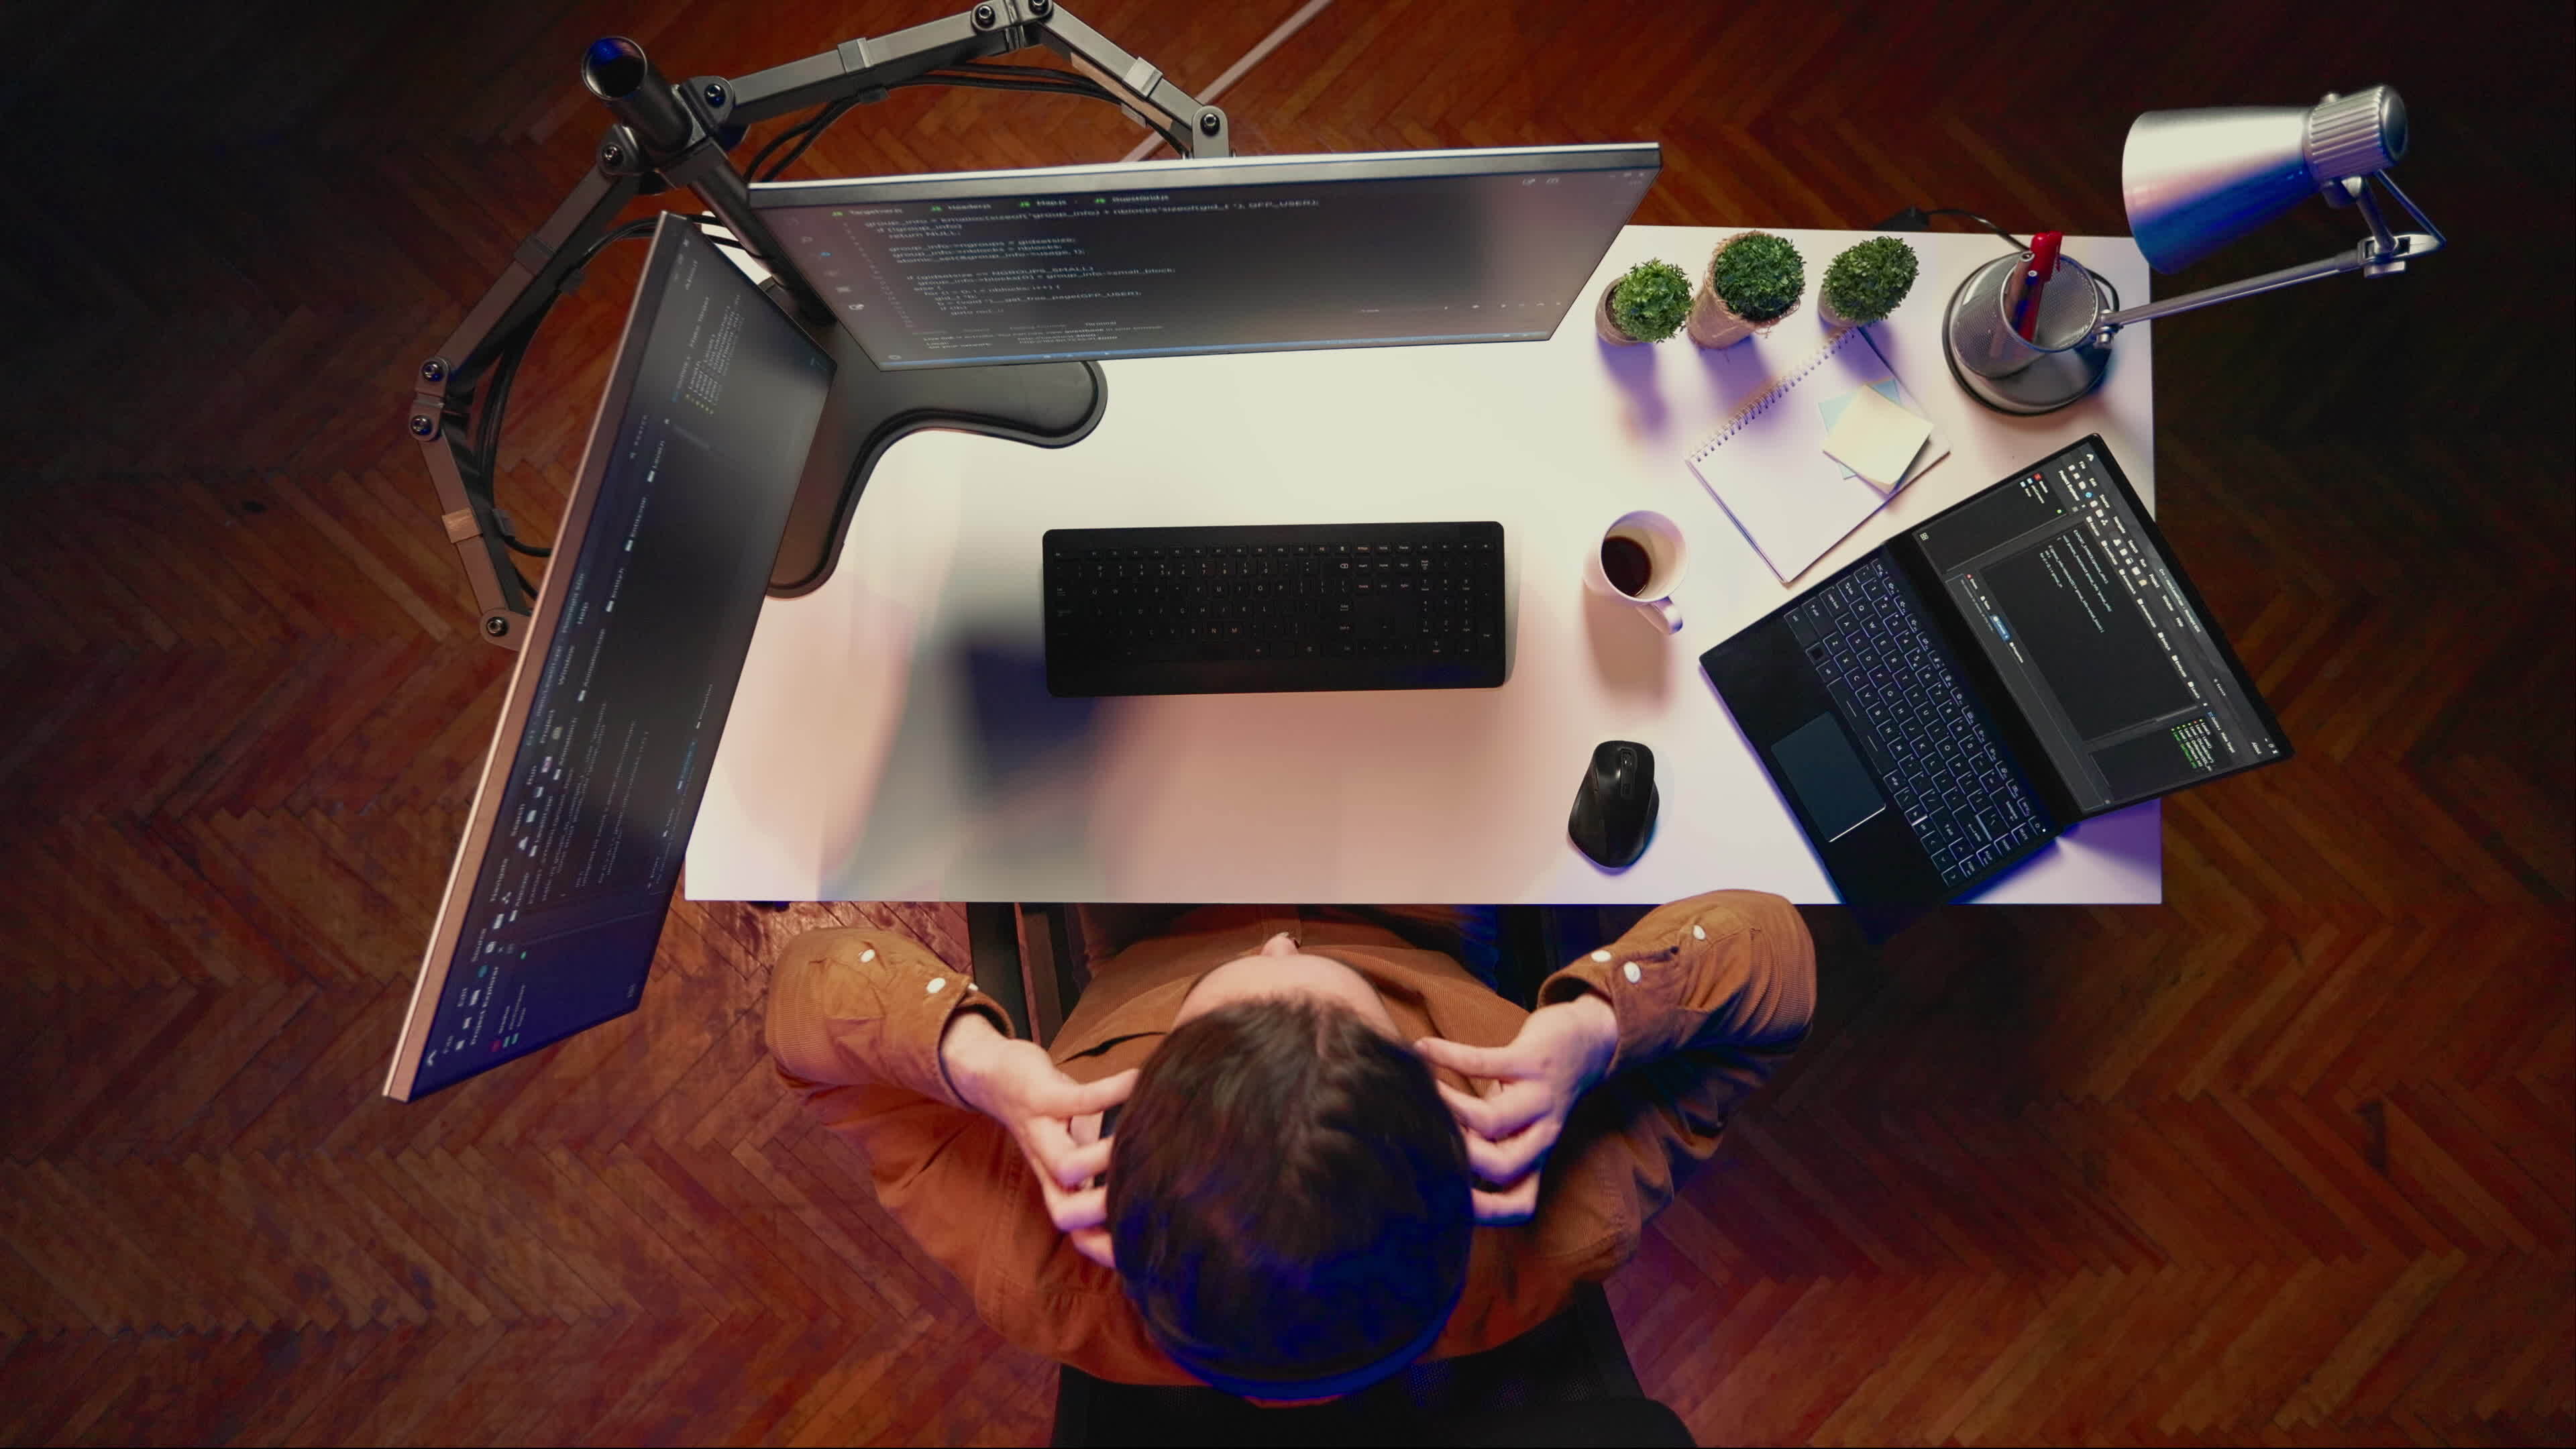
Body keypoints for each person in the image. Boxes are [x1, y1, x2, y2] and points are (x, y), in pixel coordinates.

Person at [765, 892, 1814, 1401]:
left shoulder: (1035, 1256)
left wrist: (978, 1062)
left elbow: (805, 996)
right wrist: (1597, 1026)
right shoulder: (1561, 1221)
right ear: (1448, 1119)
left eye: (1210, 1017)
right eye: (1331, 993)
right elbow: (1776, 955)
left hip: (1157, 906)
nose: (1278, 939)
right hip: (1419, 898)